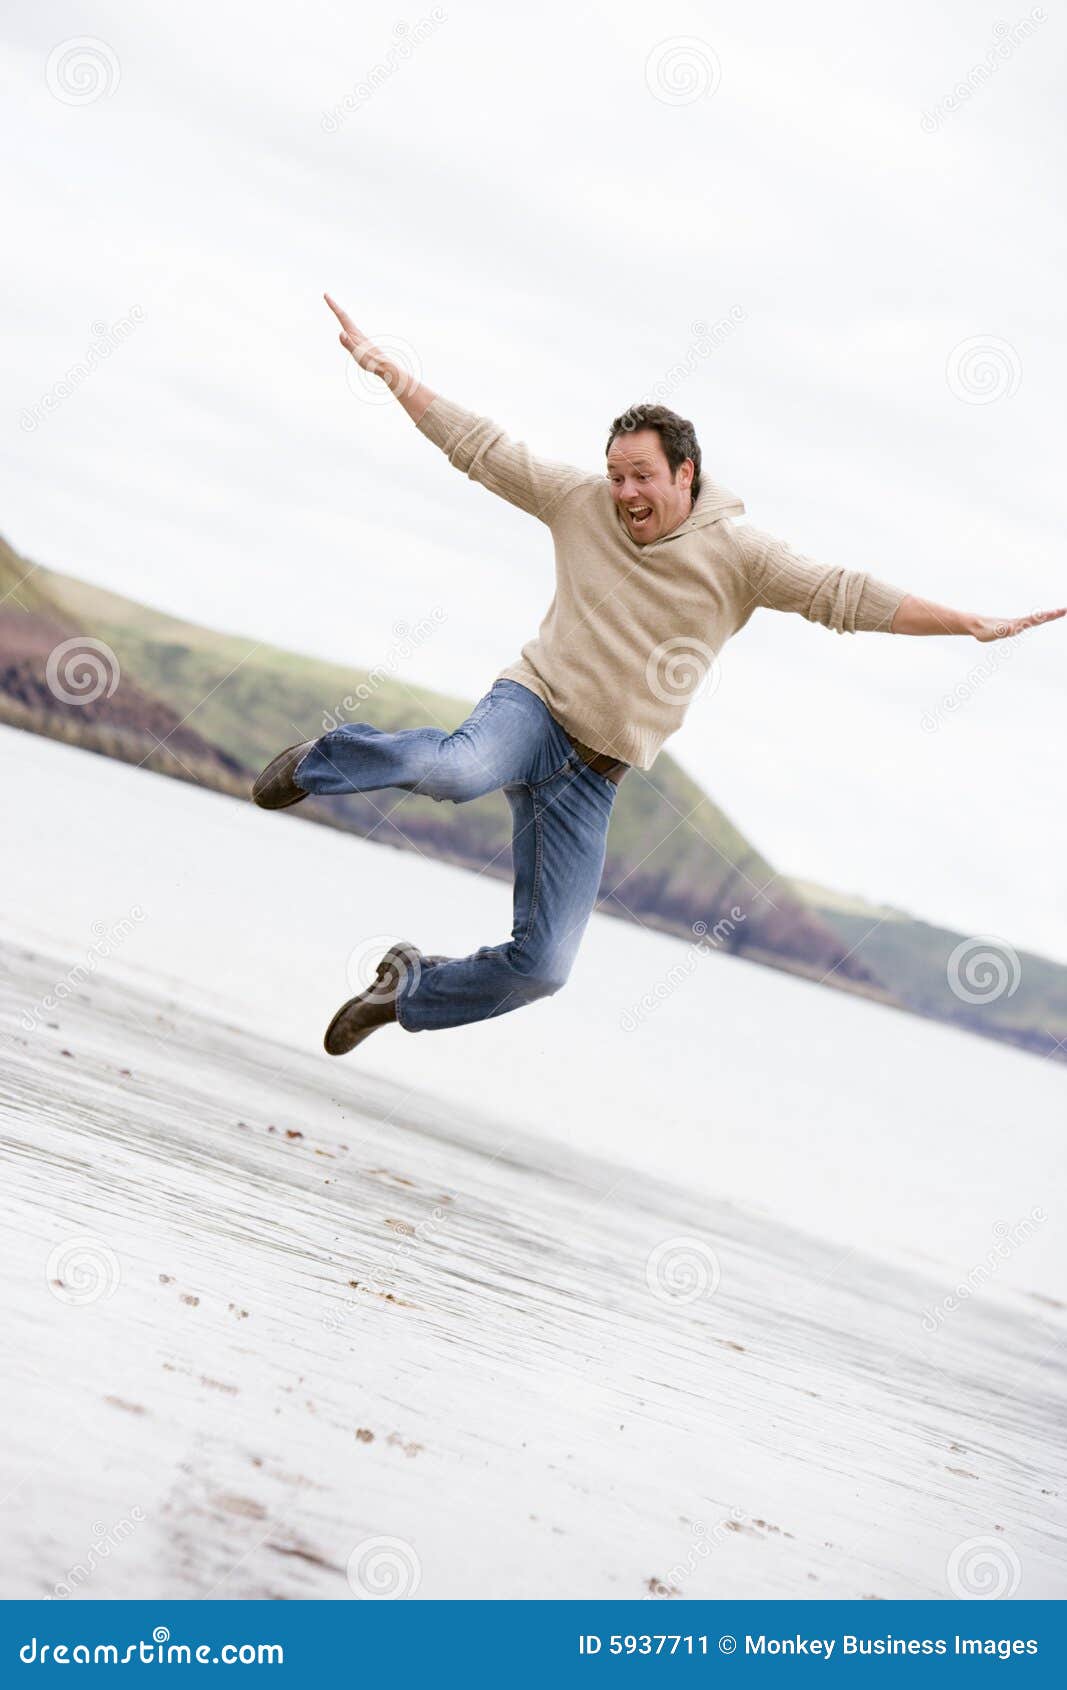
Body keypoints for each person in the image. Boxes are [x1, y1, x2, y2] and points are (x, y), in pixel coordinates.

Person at [253, 293, 1065, 1056]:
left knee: (544, 968)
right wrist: (395, 375)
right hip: (531, 709)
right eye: (615, 474)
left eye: (640, 475)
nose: (624, 491)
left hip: (594, 775)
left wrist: (963, 622)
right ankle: (318, 760)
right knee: (455, 770)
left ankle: (408, 990)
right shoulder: (579, 500)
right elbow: (483, 450)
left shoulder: (740, 556)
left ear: (685, 474)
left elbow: (841, 595)